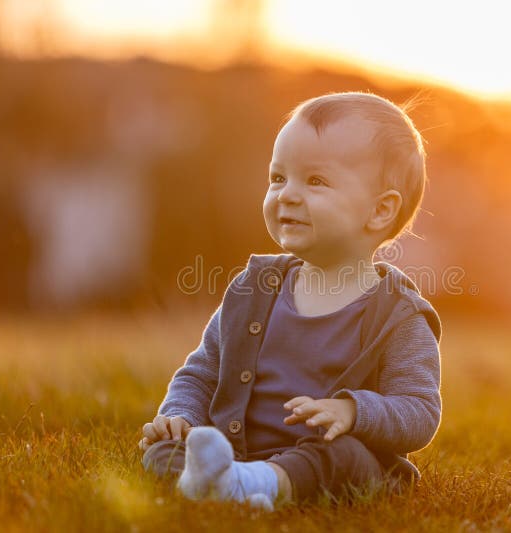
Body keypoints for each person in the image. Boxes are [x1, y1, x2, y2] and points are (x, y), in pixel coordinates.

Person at [140, 91, 442, 510]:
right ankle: (219, 478)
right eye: (278, 178)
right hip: (236, 446)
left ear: (379, 211)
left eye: (315, 181)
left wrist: (352, 412)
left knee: (348, 459)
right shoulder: (253, 287)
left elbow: (419, 411)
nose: (287, 195)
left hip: (325, 457)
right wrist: (181, 417)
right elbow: (202, 371)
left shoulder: (399, 315)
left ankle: (256, 483)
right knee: (164, 449)